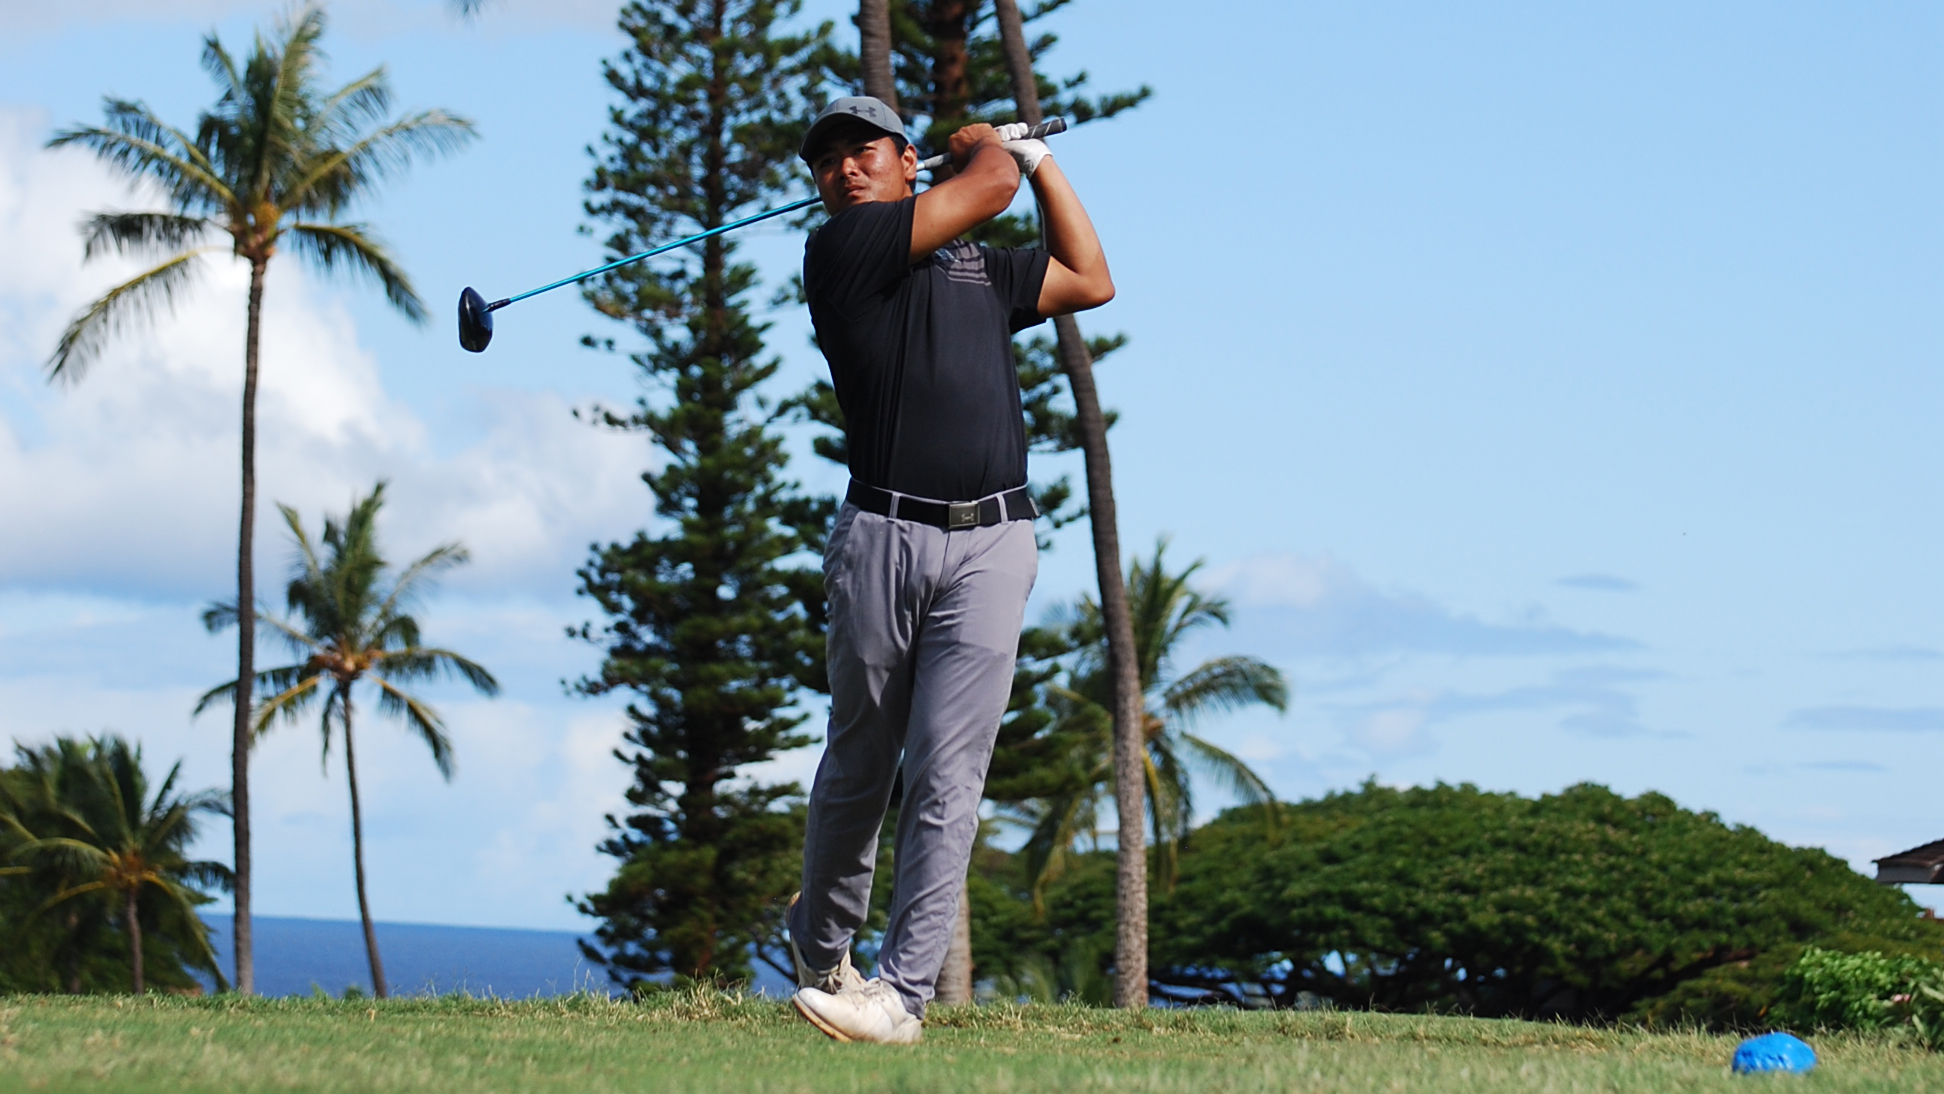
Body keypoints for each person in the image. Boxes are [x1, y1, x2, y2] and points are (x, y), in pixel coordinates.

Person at [785, 96, 1114, 1045]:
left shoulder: (978, 266)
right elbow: (990, 183)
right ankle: (824, 951)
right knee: (862, 761)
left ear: (905, 160)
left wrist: (1042, 164)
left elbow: (1090, 280)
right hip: (883, 536)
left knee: (948, 774)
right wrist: (990, 149)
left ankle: (901, 996)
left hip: (995, 539)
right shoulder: (841, 254)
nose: (845, 168)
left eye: (865, 151)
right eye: (830, 159)